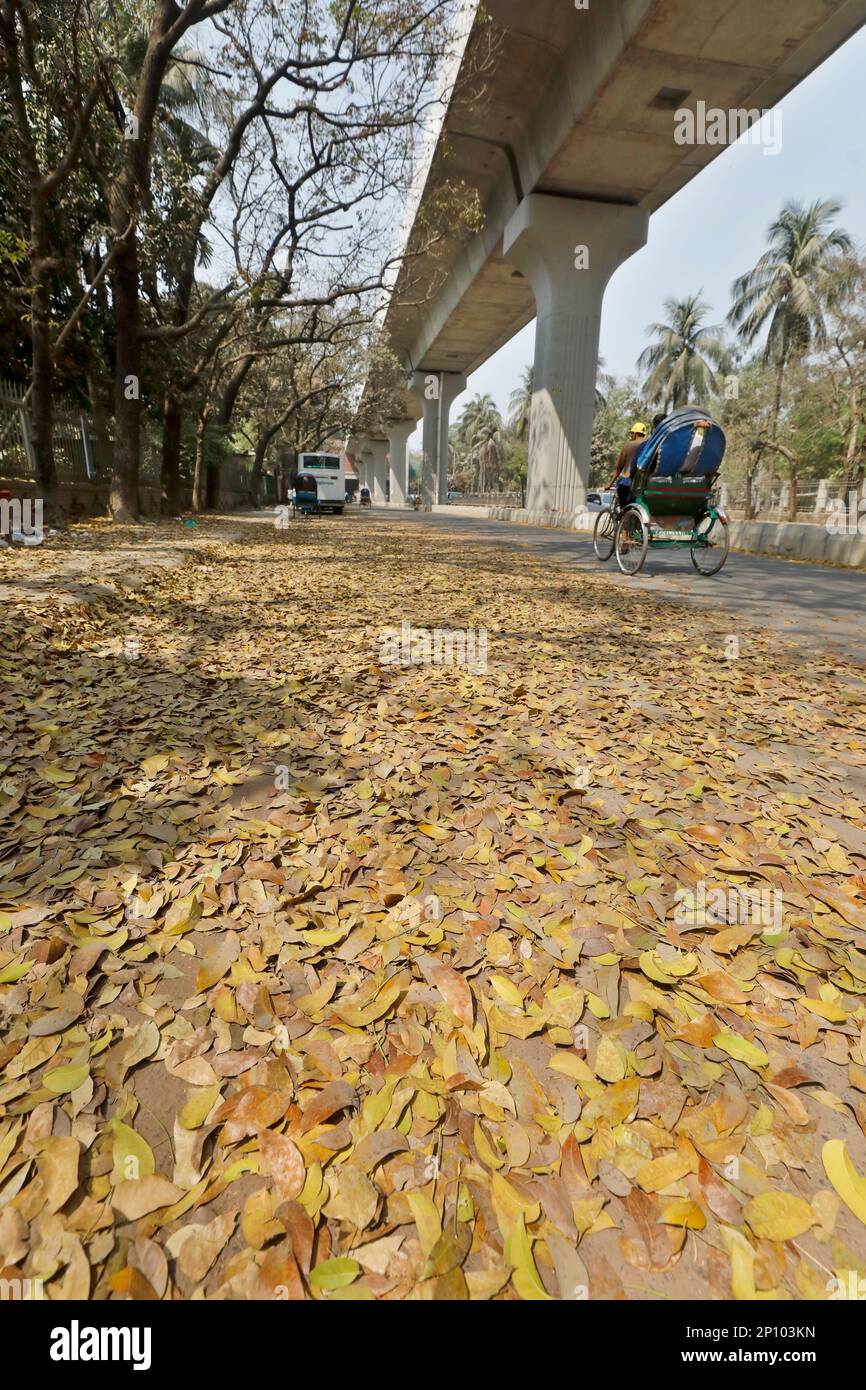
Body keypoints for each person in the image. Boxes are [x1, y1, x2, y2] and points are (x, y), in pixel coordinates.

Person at [609, 421, 648, 508]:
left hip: (628, 483)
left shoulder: (628, 445)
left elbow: (618, 468)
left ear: (635, 434)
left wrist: (609, 485)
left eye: (631, 433)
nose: (631, 436)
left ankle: (623, 516)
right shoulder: (649, 445)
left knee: (624, 506)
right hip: (643, 484)